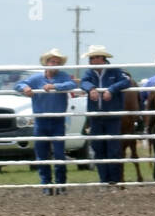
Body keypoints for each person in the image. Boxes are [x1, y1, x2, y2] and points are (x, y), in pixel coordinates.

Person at [16, 48, 78, 195]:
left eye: (57, 62)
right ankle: (46, 185)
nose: (54, 64)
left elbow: (71, 85)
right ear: (46, 63)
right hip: (41, 120)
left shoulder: (63, 76)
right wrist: (25, 88)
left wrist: (55, 86)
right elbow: (18, 85)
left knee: (59, 154)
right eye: (52, 61)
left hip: (57, 120)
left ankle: (61, 184)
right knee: (42, 154)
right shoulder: (36, 79)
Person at [79, 45, 133, 186]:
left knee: (113, 149)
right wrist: (90, 88)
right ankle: (104, 180)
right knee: (98, 148)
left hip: (112, 116)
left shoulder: (115, 71)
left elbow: (126, 81)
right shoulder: (89, 73)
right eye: (91, 58)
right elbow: (83, 82)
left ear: (102, 59)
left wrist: (112, 89)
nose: (92, 60)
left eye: (95, 57)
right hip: (96, 117)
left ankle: (113, 181)